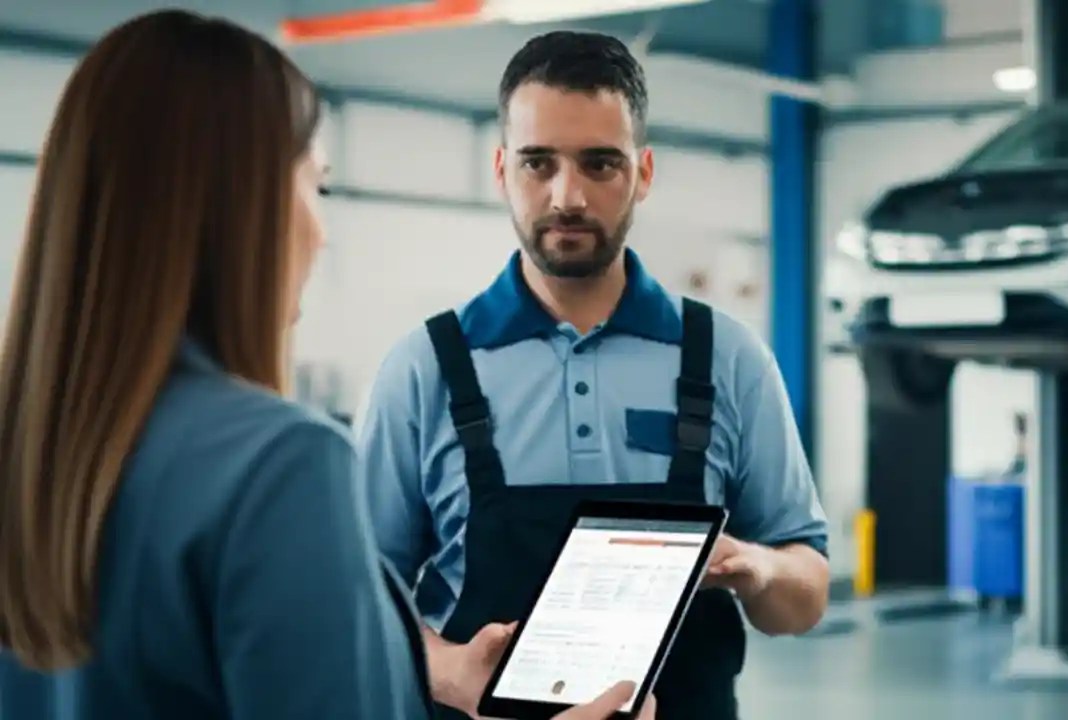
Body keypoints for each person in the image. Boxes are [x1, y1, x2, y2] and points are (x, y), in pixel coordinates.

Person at [0, 11, 651, 720]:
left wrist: (430, 668)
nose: (321, 229)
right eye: (317, 185)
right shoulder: (280, 466)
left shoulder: (28, 454)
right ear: (242, 206)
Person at [359, 30, 831, 720]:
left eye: (599, 164)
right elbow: (359, 598)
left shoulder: (728, 359)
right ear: (501, 170)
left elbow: (806, 595)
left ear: (642, 172)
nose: (567, 196)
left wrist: (759, 567)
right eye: (538, 163)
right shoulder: (424, 369)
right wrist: (448, 669)